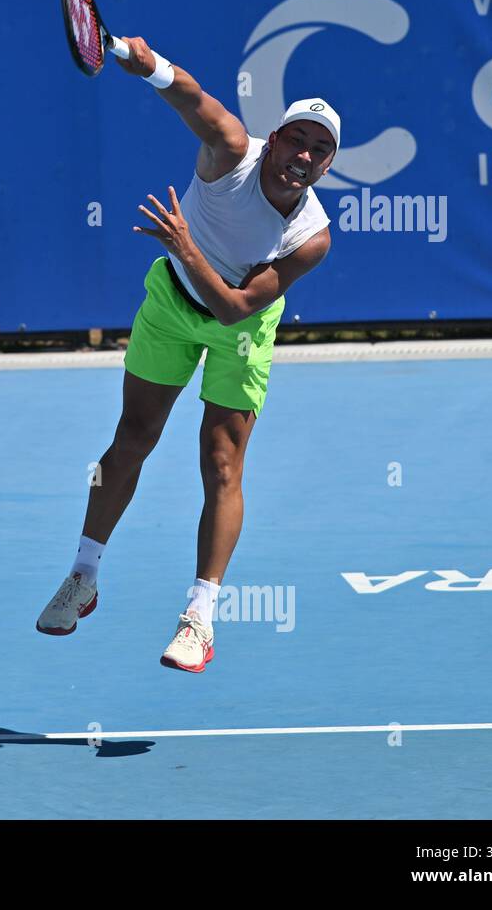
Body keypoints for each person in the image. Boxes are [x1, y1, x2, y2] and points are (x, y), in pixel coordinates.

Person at [36, 35, 340, 673]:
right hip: (170, 305)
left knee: (222, 466)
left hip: (240, 329)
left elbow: (235, 307)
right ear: (275, 138)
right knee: (132, 438)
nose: (303, 155)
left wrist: (183, 241)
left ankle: (199, 617)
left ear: (328, 166)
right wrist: (140, 60)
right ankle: (83, 573)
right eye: (296, 140)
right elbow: (192, 97)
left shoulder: (311, 238)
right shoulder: (231, 151)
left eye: (319, 149)